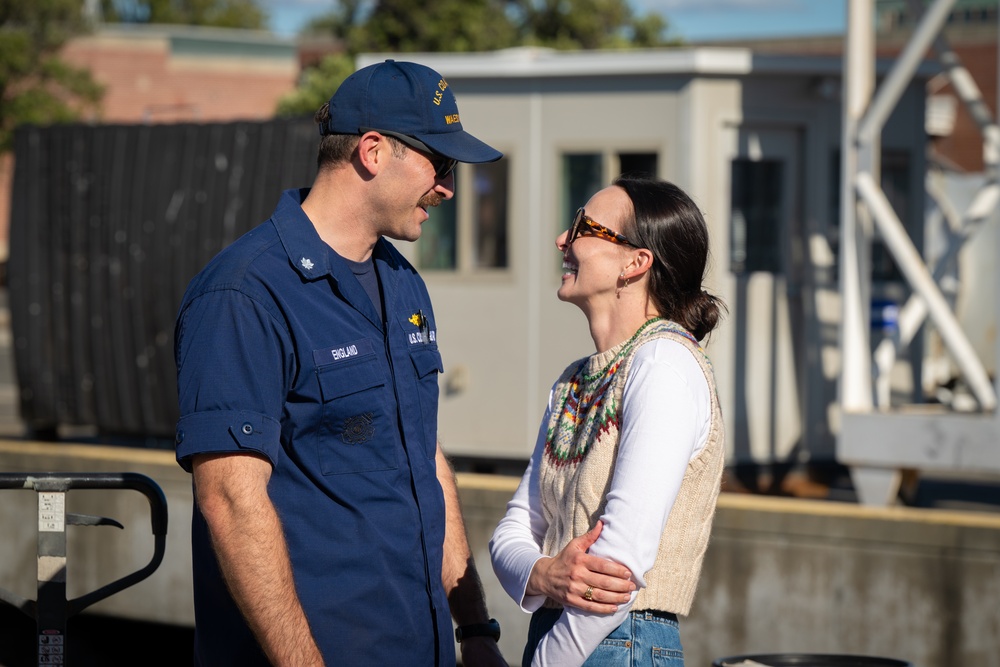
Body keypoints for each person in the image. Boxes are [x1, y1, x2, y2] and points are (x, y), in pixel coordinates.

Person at [174, 60, 508, 667]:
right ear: (373, 151)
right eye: (441, 164)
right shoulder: (244, 293)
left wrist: (474, 628)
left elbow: (425, 459)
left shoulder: (402, 283)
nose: (448, 189)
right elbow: (230, 500)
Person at [489, 176, 726, 666]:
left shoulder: (663, 364)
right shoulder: (573, 382)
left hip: (620, 640)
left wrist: (547, 662)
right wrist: (544, 574)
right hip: (569, 636)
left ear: (635, 263)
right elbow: (511, 531)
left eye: (584, 227)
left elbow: (620, 560)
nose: (563, 239)